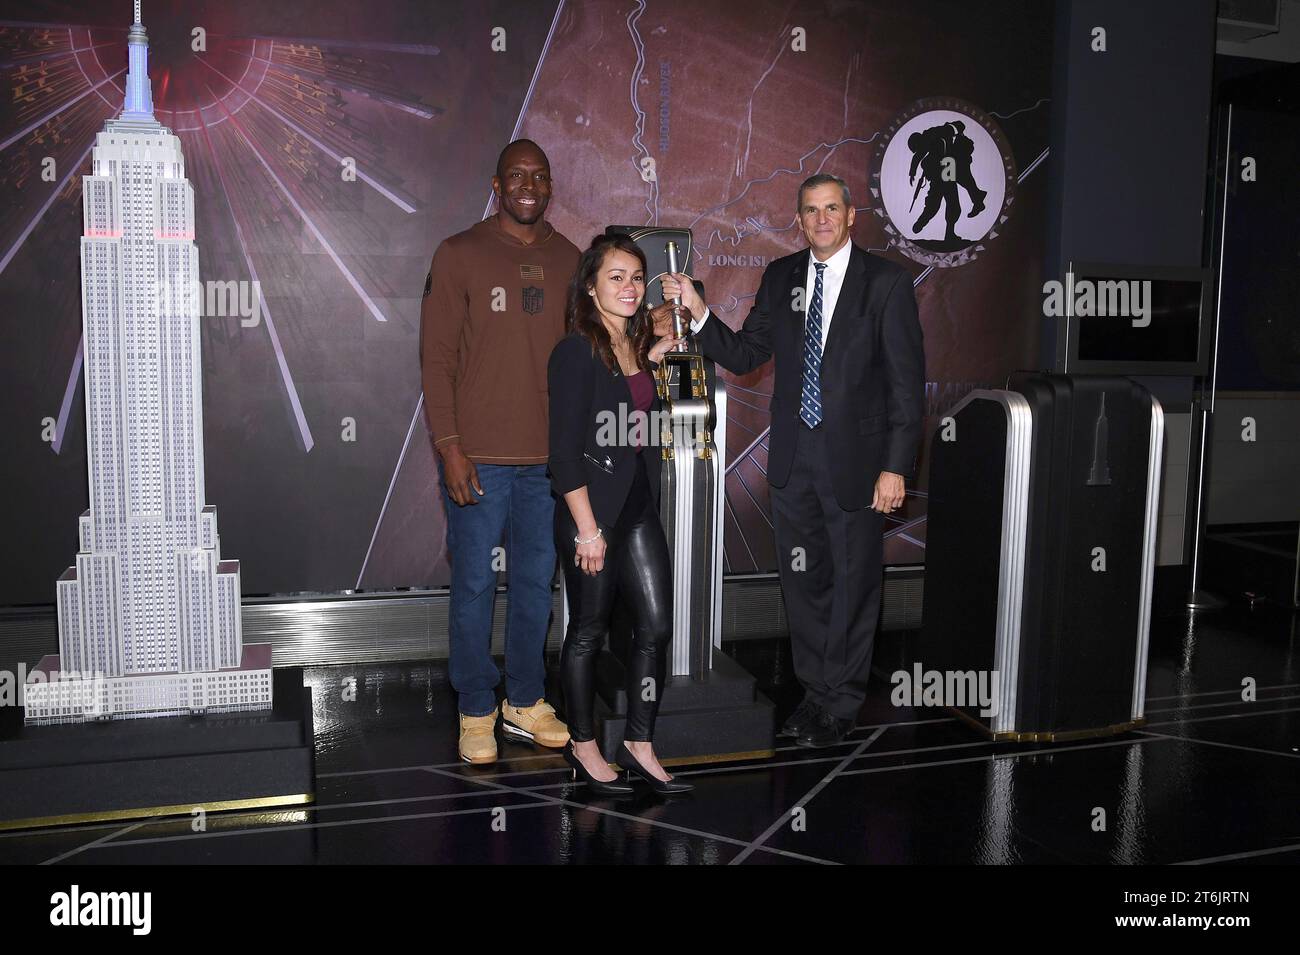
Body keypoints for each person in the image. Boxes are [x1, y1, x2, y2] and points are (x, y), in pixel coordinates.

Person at [657, 173, 925, 748]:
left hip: (860, 465)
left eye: (831, 209)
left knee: (853, 585)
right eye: (810, 210)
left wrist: (896, 467)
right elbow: (746, 354)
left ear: (851, 216)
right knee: (804, 583)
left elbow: (907, 387)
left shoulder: (887, 283)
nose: (821, 219)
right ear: (799, 220)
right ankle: (815, 694)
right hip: (793, 460)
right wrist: (699, 311)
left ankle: (842, 702)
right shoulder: (781, 278)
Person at [420, 139, 577, 764]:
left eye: (539, 176)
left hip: (548, 463)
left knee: (537, 583)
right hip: (478, 458)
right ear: (496, 185)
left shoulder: (572, 260)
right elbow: (436, 361)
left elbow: (588, 358)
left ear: (551, 185)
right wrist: (450, 448)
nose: (528, 186)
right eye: (516, 176)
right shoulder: (458, 253)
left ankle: (525, 698)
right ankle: (476, 705)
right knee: (475, 584)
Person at [547, 234, 693, 796]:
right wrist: (587, 530)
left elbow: (639, 417)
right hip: (591, 513)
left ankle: (639, 742)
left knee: (654, 625)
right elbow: (563, 455)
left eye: (635, 277)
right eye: (616, 277)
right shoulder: (575, 352)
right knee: (588, 630)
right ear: (590, 286)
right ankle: (583, 744)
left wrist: (653, 362)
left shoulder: (634, 345)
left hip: (636, 506)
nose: (629, 288)